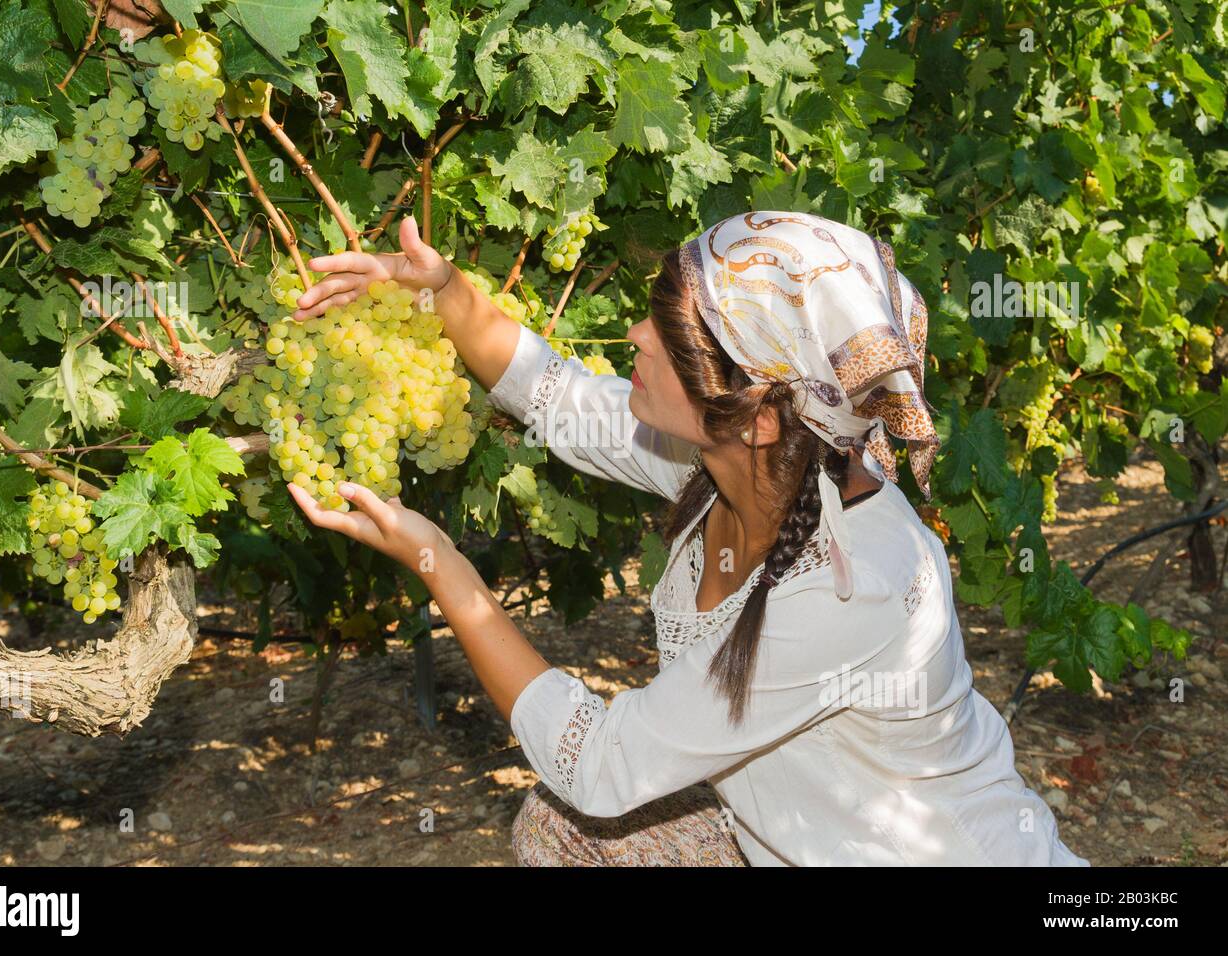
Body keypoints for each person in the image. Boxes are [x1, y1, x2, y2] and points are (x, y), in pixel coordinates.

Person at [285, 210, 1090, 867]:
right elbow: (557, 396)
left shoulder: (859, 583)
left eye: (668, 334)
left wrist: (441, 563)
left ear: (760, 414)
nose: (634, 335)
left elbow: (603, 765)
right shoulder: (730, 468)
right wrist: (444, 291)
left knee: (585, 807)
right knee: (559, 829)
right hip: (782, 838)